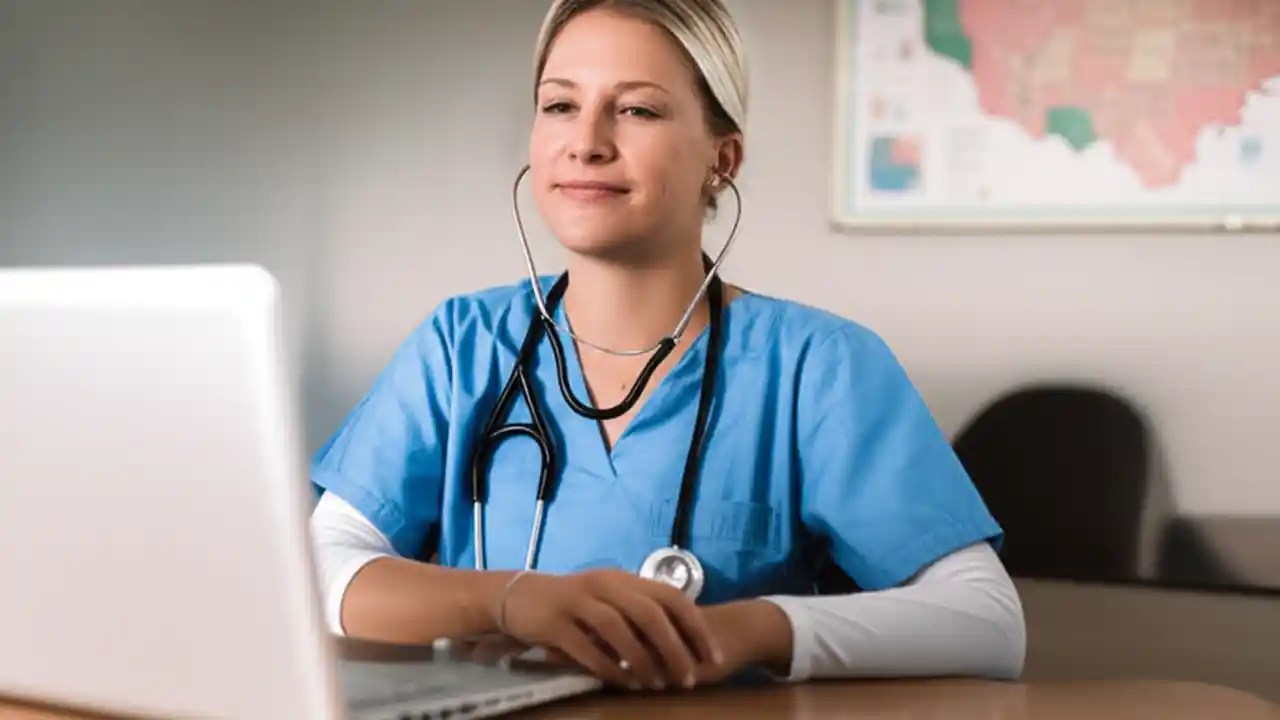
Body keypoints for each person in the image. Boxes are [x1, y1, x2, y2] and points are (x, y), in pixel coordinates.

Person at [310, 0, 1025, 693]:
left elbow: (986, 619)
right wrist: (511, 600)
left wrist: (745, 632)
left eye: (637, 109)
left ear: (723, 158)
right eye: (560, 105)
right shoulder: (461, 345)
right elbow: (317, 565)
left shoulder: (818, 366)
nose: (585, 140)